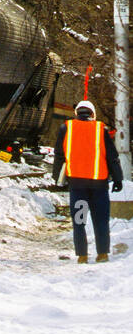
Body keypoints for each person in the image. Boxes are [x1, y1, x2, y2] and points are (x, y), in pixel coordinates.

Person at [53, 99, 124, 263]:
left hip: (77, 186)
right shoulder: (101, 129)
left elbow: (59, 155)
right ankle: (102, 254)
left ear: (77, 113)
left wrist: (57, 179)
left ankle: (82, 256)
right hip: (99, 185)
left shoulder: (66, 128)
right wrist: (118, 179)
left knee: (79, 220)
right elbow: (112, 157)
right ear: (93, 114)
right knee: (100, 220)